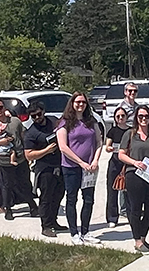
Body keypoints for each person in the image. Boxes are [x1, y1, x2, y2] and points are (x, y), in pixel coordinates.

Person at [117, 105, 149, 253]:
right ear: (136, 118)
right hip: (135, 174)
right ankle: (137, 240)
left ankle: (143, 237)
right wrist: (134, 162)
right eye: (140, 116)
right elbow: (121, 154)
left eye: (146, 116)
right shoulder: (130, 134)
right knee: (135, 208)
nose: (144, 119)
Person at [56, 92, 102, 244]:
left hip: (90, 168)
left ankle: (86, 231)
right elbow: (63, 147)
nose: (80, 105)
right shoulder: (65, 122)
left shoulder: (91, 121)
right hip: (71, 167)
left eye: (83, 102)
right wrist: (80, 162)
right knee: (72, 199)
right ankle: (74, 233)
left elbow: (99, 142)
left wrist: (95, 160)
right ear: (72, 103)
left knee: (88, 200)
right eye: (78, 102)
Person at [0, 100, 35, 220]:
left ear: (4, 108)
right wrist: (0, 143)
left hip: (20, 158)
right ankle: (8, 209)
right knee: (6, 186)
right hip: (4, 161)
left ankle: (33, 207)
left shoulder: (15, 121)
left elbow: (24, 137)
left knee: (25, 184)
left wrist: (28, 154)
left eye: (0, 107)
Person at [24, 101, 65, 237]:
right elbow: (28, 155)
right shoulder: (31, 133)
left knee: (58, 194)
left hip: (60, 165)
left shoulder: (53, 121)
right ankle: (45, 226)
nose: (36, 118)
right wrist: (46, 151)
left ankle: (53, 222)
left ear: (44, 111)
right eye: (33, 116)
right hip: (44, 169)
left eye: (38, 114)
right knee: (46, 198)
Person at [103, 106, 131, 228]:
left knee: (129, 191)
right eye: (118, 116)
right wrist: (110, 148)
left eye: (122, 116)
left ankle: (131, 215)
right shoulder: (112, 131)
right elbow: (107, 146)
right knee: (112, 190)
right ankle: (112, 217)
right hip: (115, 162)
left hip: (127, 162)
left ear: (126, 117)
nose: (120, 118)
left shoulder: (131, 131)